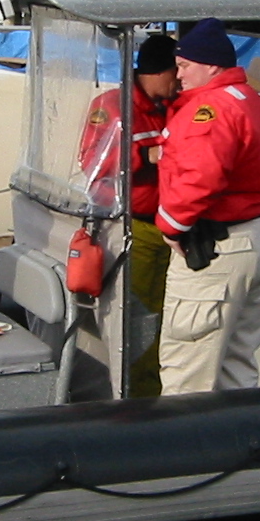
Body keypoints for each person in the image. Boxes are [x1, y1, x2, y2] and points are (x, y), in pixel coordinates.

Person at [155, 18, 260, 392]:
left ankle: (183, 450)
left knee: (188, 373)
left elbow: (200, 176)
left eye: (184, 66)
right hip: (259, 237)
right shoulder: (254, 103)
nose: (177, 75)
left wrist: (171, 227)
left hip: (217, 249)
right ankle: (242, 445)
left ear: (210, 65)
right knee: (237, 365)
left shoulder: (208, 110)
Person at [77, 33, 179, 396]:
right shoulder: (113, 107)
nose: (180, 80)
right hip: (134, 229)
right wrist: (148, 156)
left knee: (166, 319)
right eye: (176, 71)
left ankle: (156, 390)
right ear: (161, 70)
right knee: (141, 323)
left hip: (168, 229)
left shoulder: (169, 106)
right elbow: (93, 162)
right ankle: (140, 399)